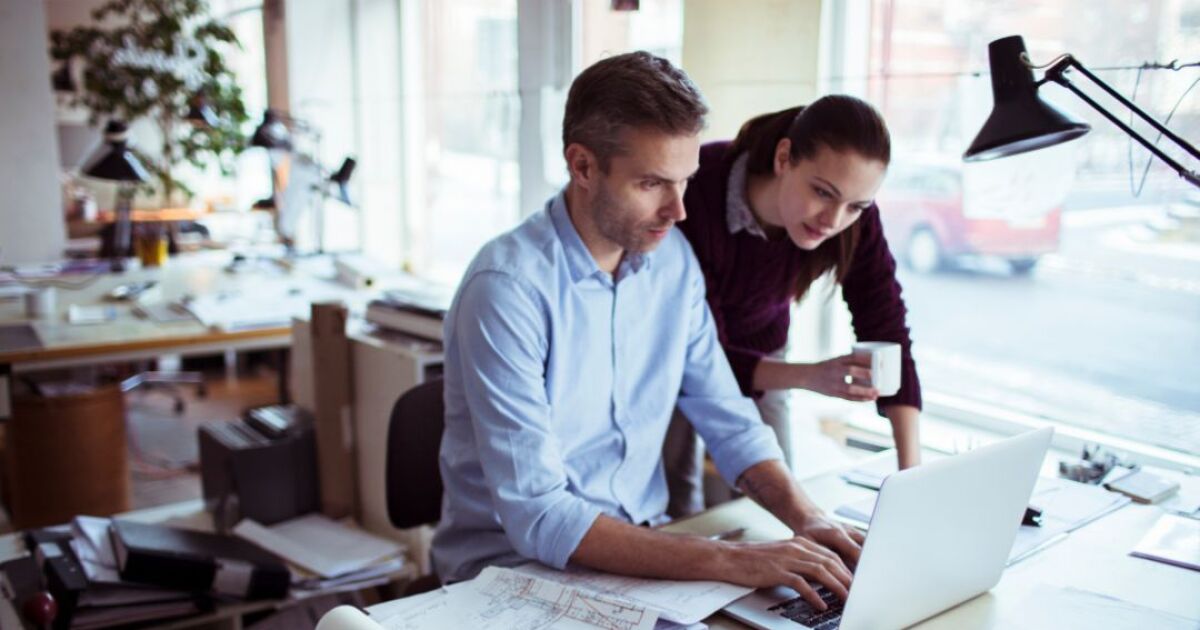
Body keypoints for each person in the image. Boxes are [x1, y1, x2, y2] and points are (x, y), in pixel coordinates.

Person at [430, 52, 863, 612]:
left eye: (685, 181)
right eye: (653, 183)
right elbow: (541, 518)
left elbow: (728, 419)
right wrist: (735, 561)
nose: (679, 210)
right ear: (583, 166)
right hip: (512, 578)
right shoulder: (507, 289)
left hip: (643, 554)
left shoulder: (671, 264)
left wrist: (809, 520)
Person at [666, 96, 922, 515]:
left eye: (856, 206)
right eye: (822, 192)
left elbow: (887, 324)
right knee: (675, 500)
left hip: (766, 351)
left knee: (777, 501)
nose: (834, 220)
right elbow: (696, 358)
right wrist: (810, 376)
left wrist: (911, 478)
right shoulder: (698, 191)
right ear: (784, 157)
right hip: (674, 356)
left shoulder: (850, 213)